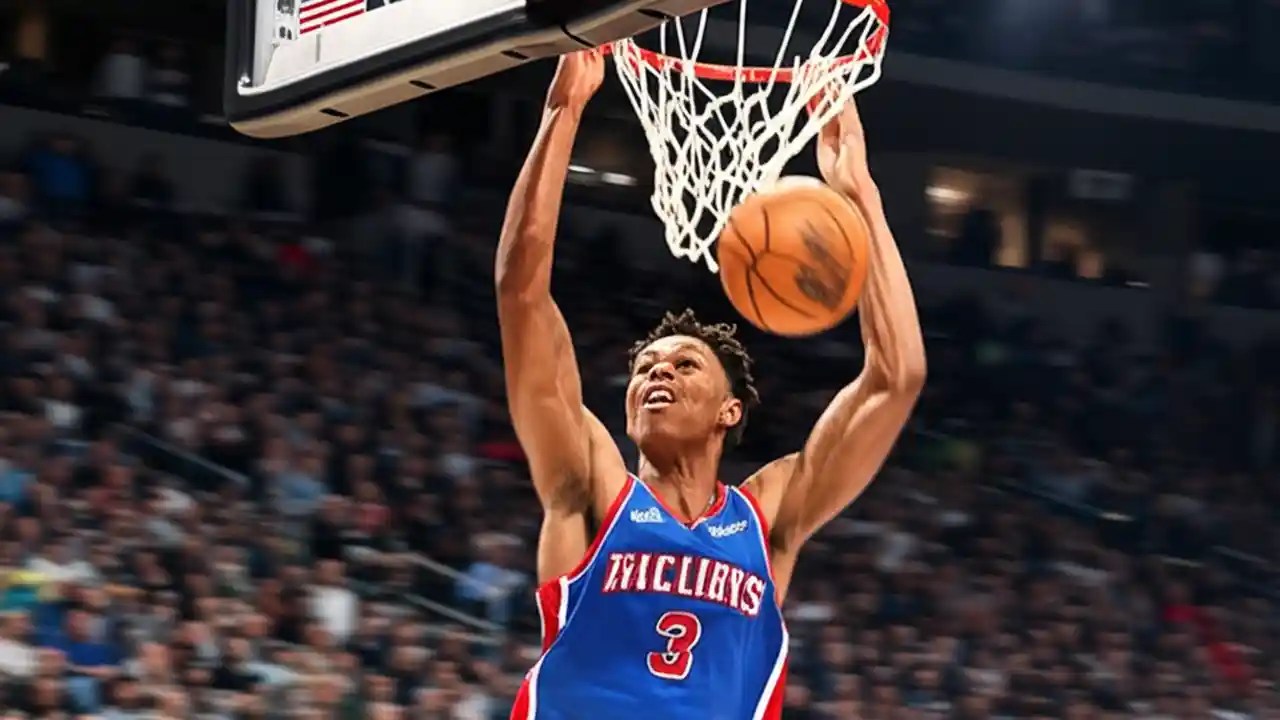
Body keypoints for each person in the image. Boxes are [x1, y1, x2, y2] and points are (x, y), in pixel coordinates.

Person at [496, 50, 925, 720]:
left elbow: (896, 379)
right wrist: (563, 109)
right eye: (643, 368)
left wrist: (857, 193)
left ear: (730, 410)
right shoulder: (591, 485)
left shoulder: (766, 517)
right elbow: (521, 295)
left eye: (682, 364)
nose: (655, 372)